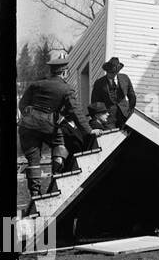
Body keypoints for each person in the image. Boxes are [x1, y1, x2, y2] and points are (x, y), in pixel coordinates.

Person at [19, 51, 91, 198]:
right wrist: (89, 131)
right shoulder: (66, 89)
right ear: (64, 72)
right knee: (60, 144)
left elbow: (22, 105)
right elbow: (77, 113)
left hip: (26, 126)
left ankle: (35, 192)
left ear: (52, 71)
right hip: (48, 126)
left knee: (33, 159)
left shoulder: (36, 84)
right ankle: (56, 176)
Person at [90, 57, 136, 127]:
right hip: (109, 119)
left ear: (117, 71)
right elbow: (95, 103)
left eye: (113, 72)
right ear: (106, 71)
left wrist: (130, 111)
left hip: (125, 116)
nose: (111, 74)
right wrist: (99, 118)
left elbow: (132, 96)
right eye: (109, 72)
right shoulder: (99, 83)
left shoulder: (125, 78)